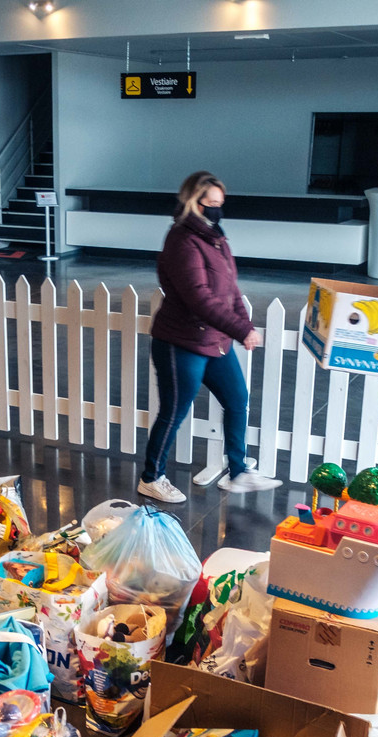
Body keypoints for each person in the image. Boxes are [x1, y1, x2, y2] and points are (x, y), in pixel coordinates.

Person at [139, 171, 283, 504]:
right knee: (174, 412)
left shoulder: (217, 239)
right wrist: (241, 330)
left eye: (221, 204)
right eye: (211, 204)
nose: (218, 210)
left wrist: (243, 324)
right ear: (194, 202)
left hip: (215, 341)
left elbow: (231, 290)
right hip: (180, 342)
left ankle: (238, 472)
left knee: (237, 399)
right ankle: (151, 477)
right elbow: (198, 297)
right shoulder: (181, 241)